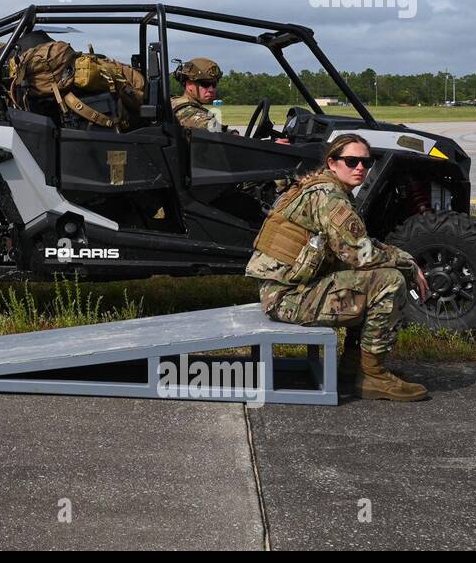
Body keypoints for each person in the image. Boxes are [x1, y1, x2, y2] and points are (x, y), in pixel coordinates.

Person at [246, 133, 431, 401]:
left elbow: (353, 247)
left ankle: (354, 367)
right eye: (351, 161)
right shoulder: (330, 197)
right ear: (332, 163)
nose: (360, 168)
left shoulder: (323, 188)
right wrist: (407, 263)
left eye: (366, 163)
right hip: (288, 298)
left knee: (369, 279)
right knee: (389, 281)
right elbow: (359, 253)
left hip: (287, 290)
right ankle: (373, 376)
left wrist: (396, 256)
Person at [171, 57, 236, 133]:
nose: (211, 89)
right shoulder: (185, 110)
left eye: (214, 84)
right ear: (189, 85)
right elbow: (213, 130)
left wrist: (231, 132)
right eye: (205, 84)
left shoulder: (177, 103)